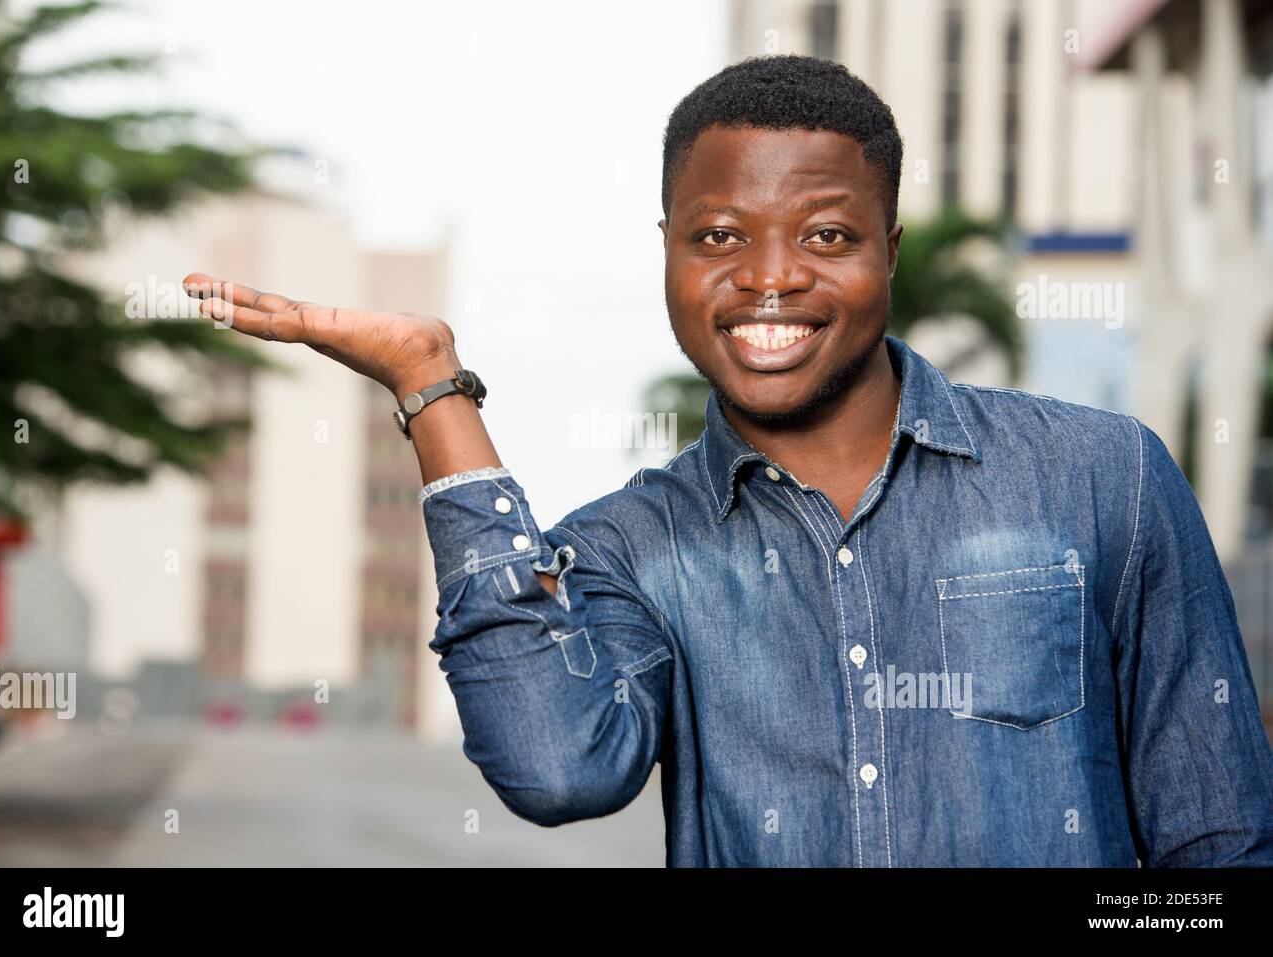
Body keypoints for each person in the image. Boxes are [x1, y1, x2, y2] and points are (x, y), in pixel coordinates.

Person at [184, 54, 1273, 867]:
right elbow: (560, 769)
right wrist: (430, 388)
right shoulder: (627, 545)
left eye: (826, 237)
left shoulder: (1102, 476)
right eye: (716, 237)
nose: (767, 279)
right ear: (665, 248)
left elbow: (1217, 832)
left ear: (889, 251)